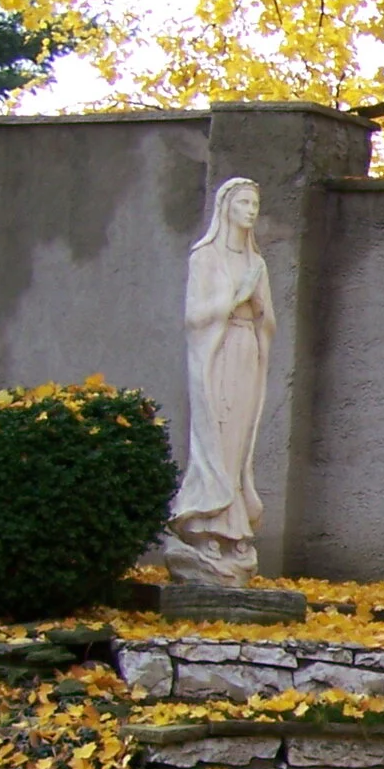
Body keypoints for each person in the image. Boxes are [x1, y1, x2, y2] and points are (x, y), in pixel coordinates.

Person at [160, 177, 273, 586]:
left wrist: (257, 306)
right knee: (216, 438)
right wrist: (232, 298)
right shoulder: (205, 257)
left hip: (245, 350)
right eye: (244, 202)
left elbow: (268, 320)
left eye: (255, 203)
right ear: (226, 207)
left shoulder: (255, 261)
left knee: (239, 446)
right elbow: (194, 316)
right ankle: (206, 524)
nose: (251, 210)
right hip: (217, 353)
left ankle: (236, 531)